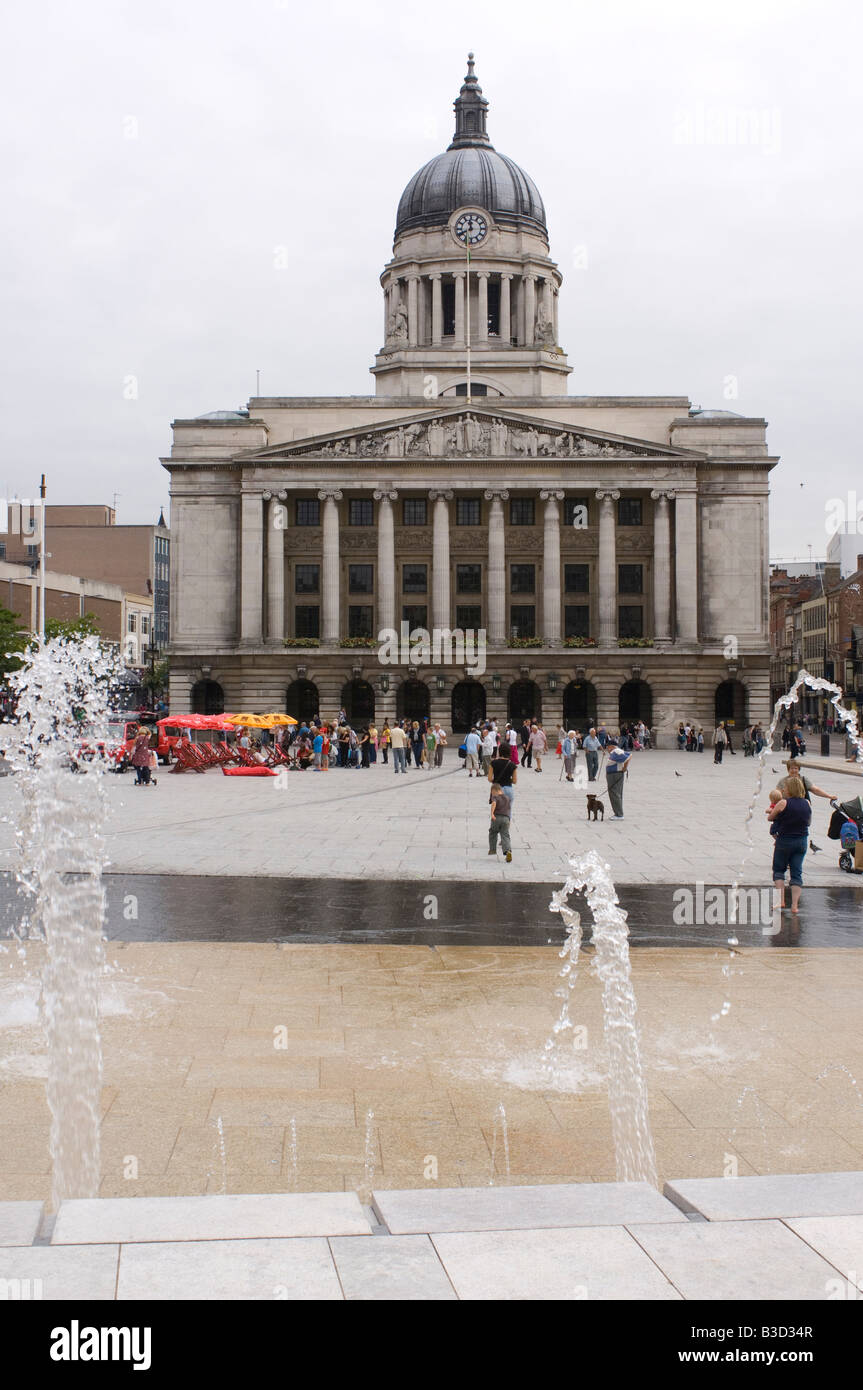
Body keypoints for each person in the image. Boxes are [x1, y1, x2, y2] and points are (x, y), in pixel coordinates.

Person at [767, 775, 812, 913]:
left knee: (779, 870)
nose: (784, 789)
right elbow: (808, 822)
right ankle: (794, 906)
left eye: (786, 787)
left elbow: (770, 817)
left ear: (790, 789)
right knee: (797, 872)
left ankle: (781, 901)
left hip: (785, 840)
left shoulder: (783, 803)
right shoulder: (807, 803)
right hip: (802, 841)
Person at [487, 744, 517, 817]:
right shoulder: (512, 765)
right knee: (508, 812)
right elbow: (514, 781)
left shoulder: (493, 763)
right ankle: (506, 827)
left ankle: (497, 826)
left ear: (499, 751)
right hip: (508, 789)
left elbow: (490, 778)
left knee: (496, 811)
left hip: (497, 789)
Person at [605, 739, 631, 819]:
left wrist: (625, 768)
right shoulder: (617, 751)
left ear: (611, 746)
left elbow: (628, 757)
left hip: (615, 774)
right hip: (615, 774)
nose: (607, 750)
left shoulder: (616, 751)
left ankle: (619, 814)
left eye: (607, 747)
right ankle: (618, 813)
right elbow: (629, 755)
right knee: (616, 793)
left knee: (614, 794)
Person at [488, 781, 513, 862]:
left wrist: (492, 813)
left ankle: (492, 849)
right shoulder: (507, 798)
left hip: (497, 818)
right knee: (505, 835)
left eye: (492, 793)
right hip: (506, 819)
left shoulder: (495, 797)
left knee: (493, 832)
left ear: (494, 791)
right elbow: (509, 809)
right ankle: (507, 851)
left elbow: (494, 803)